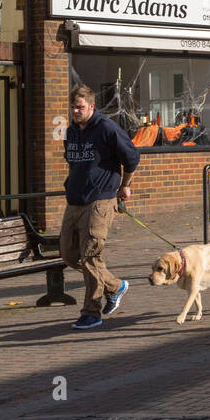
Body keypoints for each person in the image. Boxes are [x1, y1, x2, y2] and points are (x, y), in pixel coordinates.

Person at [61, 85, 139, 330]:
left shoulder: (106, 128)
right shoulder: (71, 131)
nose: (76, 111)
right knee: (70, 254)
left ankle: (91, 313)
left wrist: (124, 185)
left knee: (91, 255)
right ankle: (115, 286)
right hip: (75, 200)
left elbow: (132, 158)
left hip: (101, 199)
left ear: (92, 107)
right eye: (73, 107)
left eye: (80, 107)